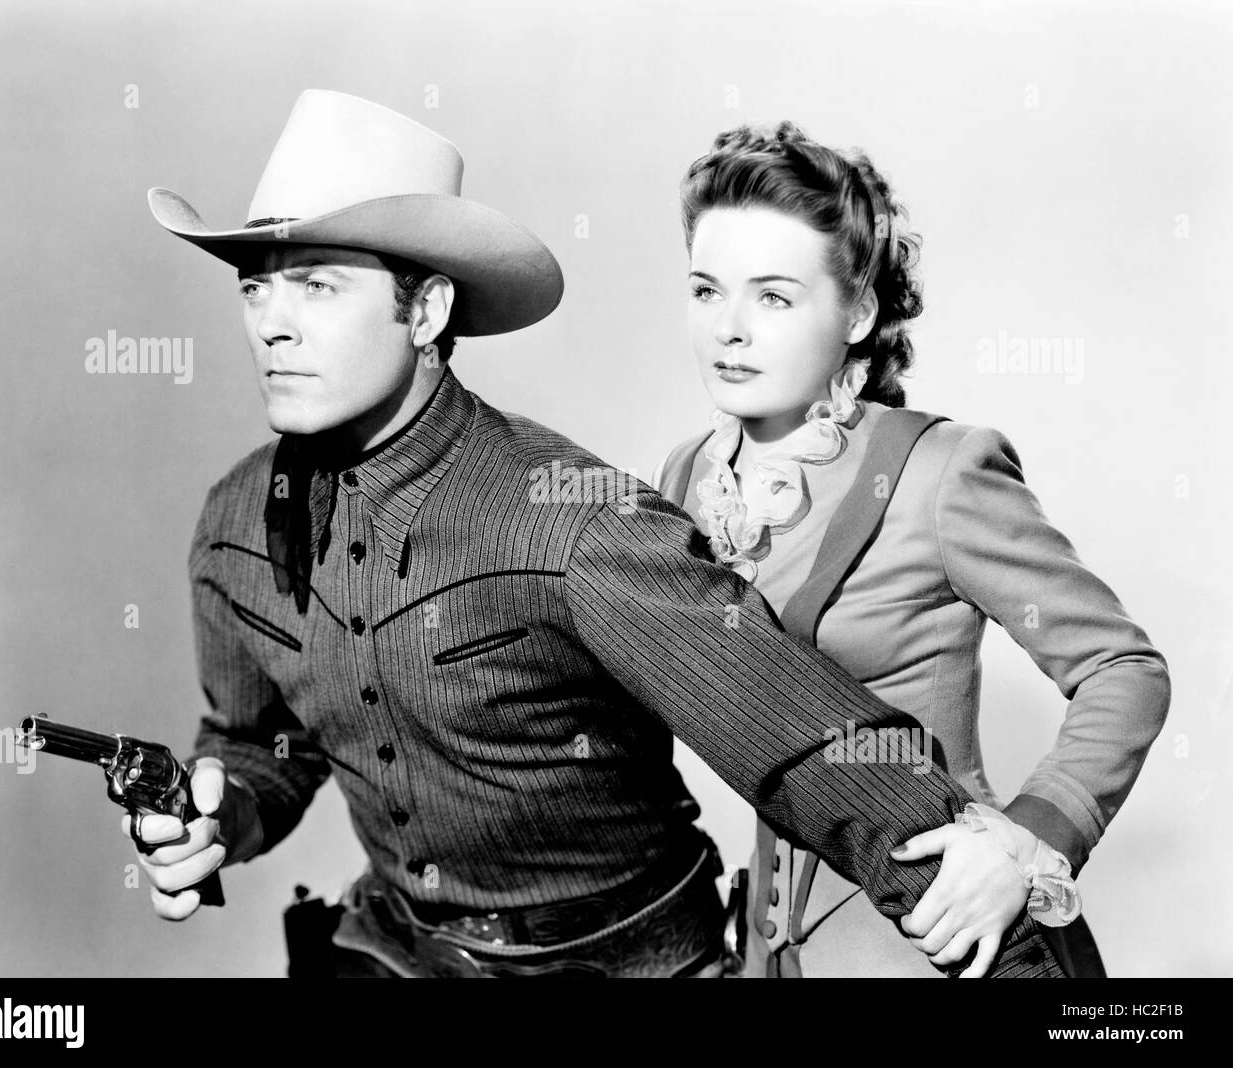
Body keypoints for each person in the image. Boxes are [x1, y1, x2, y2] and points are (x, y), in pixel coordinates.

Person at [124, 89, 1067, 977]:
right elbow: (255, 743)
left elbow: (810, 748)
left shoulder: (575, 522)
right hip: (396, 952)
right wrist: (221, 811)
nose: (271, 328)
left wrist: (1002, 910)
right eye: (256, 289)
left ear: (429, 310)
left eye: (318, 288)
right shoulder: (235, 525)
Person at [654, 121, 1171, 977]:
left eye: (773, 297)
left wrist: (1028, 842)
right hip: (769, 947)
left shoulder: (940, 472)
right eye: (708, 291)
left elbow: (1126, 669)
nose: (729, 330)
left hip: (935, 937)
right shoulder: (688, 473)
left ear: (857, 313)